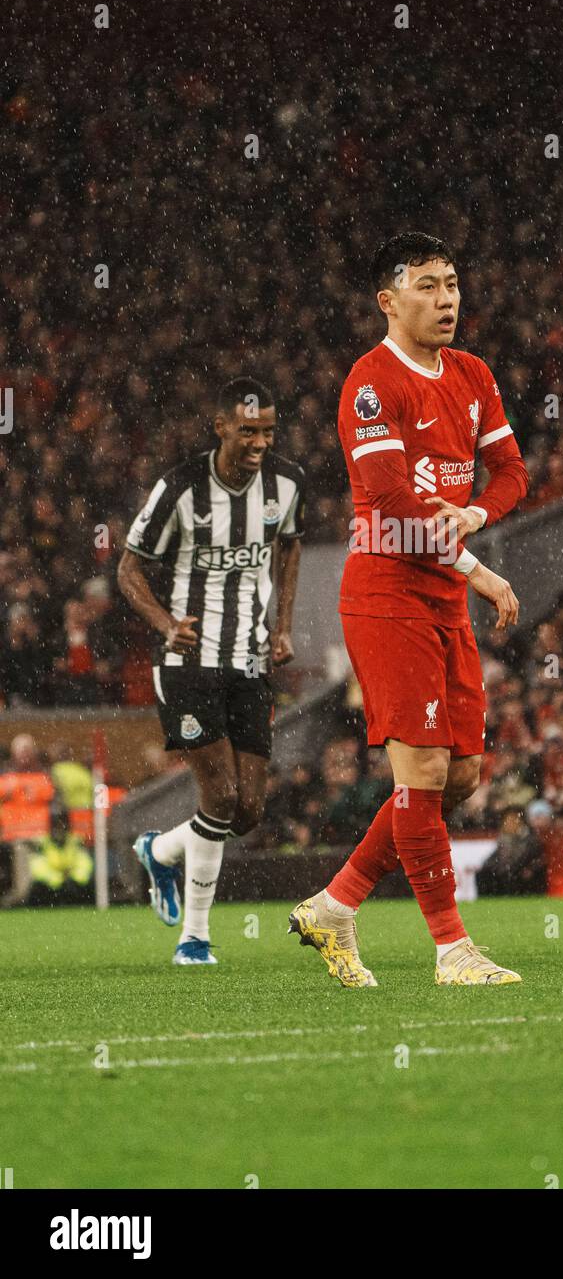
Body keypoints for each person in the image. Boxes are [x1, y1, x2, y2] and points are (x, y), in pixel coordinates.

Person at [289, 232, 529, 986]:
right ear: (388, 301)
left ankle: (337, 902)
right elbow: (391, 500)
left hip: (443, 596)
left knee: (459, 778)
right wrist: (478, 568)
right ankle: (453, 950)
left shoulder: (473, 374)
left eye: (452, 282)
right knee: (422, 770)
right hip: (387, 592)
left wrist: (476, 517)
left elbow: (512, 471)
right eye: (428, 285)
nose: (448, 298)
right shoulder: (370, 383)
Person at [117, 376, 304, 964]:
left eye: (268, 432)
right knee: (218, 794)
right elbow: (128, 568)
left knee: (247, 812)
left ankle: (160, 850)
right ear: (221, 426)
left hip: (249, 661)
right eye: (248, 431)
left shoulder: (286, 484)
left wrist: (282, 627)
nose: (259, 442)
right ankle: (195, 938)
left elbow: (290, 546)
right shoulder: (179, 489)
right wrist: (165, 623)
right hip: (188, 662)